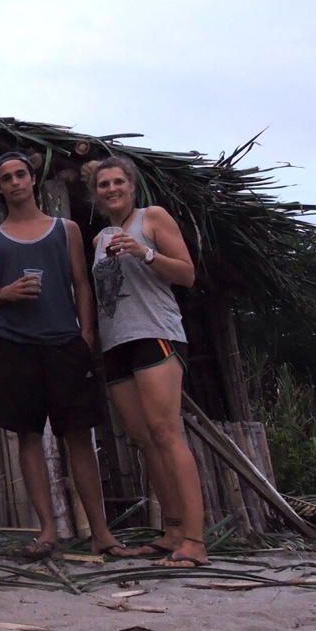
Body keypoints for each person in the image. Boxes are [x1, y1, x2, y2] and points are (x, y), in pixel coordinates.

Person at [0, 151, 133, 560]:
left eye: (20, 174)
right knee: (28, 436)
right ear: (0, 187)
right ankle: (47, 530)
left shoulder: (66, 230)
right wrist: (4, 295)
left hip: (64, 343)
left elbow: (82, 283)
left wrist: (86, 335)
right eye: (6, 177)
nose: (14, 182)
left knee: (79, 436)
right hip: (15, 344)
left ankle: (100, 532)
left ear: (32, 179)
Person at [91, 156, 208, 568]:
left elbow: (187, 274)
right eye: (103, 184)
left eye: (117, 181)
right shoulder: (101, 237)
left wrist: (144, 253)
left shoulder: (152, 218)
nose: (111, 189)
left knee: (166, 432)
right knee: (142, 438)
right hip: (116, 342)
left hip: (154, 333)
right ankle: (173, 531)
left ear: (131, 185)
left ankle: (195, 541)